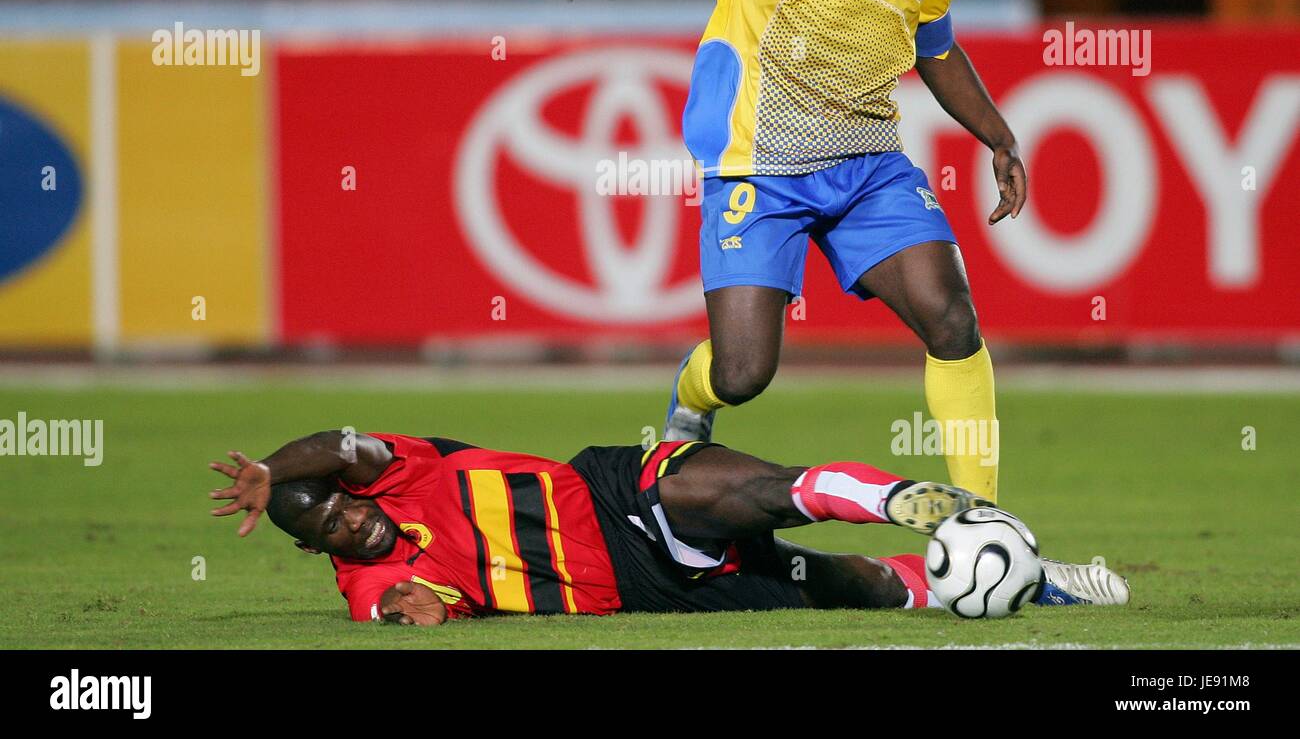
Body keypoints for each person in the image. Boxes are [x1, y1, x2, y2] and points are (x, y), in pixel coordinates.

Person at [561, 0, 1024, 505]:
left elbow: (936, 49)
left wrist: (999, 138)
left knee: (951, 314)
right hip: (758, 162)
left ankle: (987, 518)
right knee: (744, 372)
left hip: (869, 162)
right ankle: (692, 395)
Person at [209, 429, 1128, 624]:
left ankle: (896, 496)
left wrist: (271, 469)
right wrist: (411, 607)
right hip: (643, 589)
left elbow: (342, 439)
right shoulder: (363, 581)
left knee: (753, 491)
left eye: (343, 503)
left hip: (607, 490)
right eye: (330, 530)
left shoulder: (399, 471)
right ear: (315, 550)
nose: (352, 526)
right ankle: (1026, 577)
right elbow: (399, 611)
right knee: (855, 588)